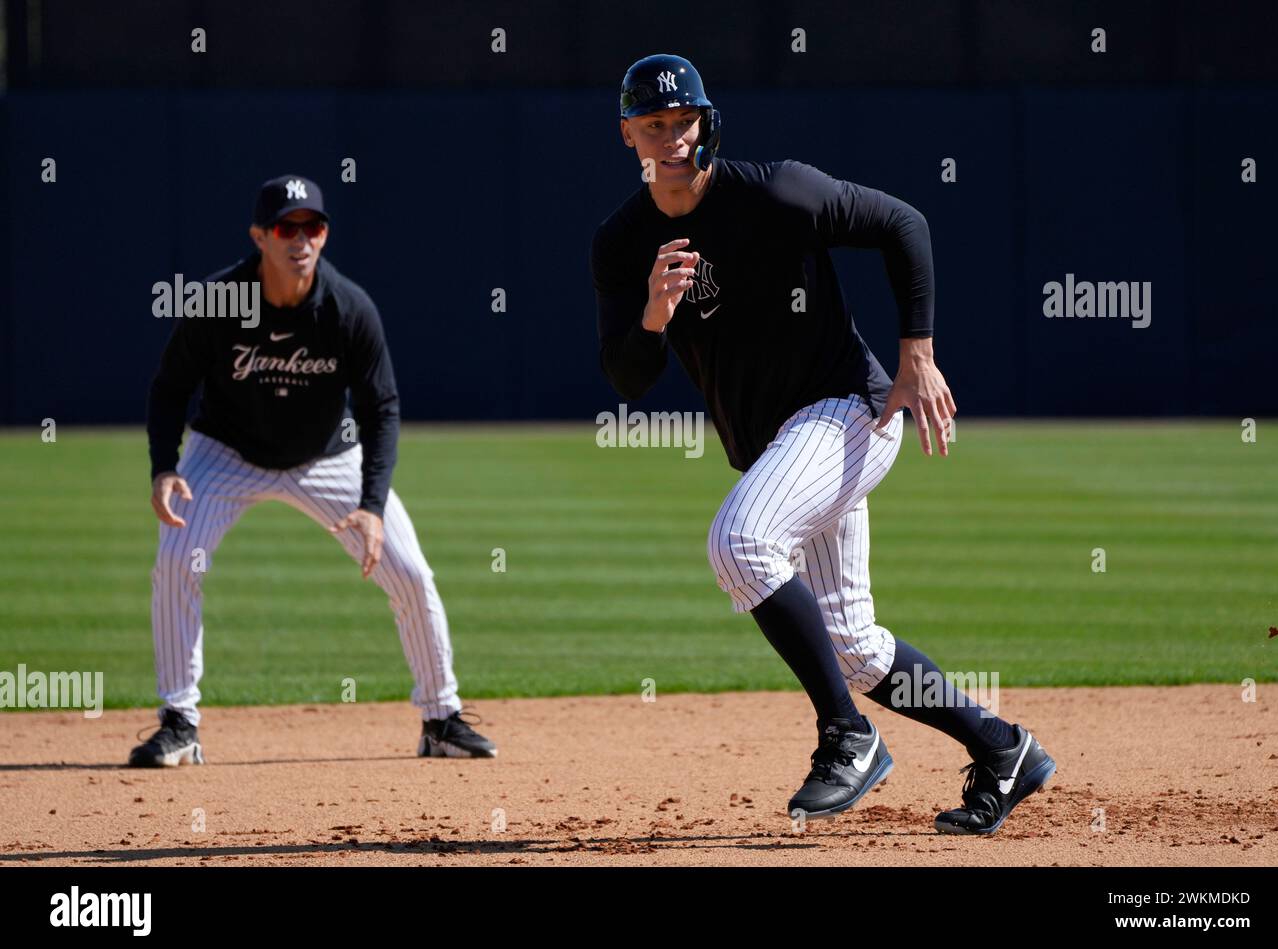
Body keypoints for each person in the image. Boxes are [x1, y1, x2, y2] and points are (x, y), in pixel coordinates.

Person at [591, 55, 1055, 835]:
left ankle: (848, 736)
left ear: (707, 122)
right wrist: (652, 317)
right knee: (854, 649)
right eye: (654, 125)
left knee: (740, 542)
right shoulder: (622, 240)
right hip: (782, 443)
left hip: (850, 410)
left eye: (684, 121)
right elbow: (628, 377)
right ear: (628, 133)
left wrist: (918, 353)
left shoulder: (775, 191)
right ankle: (1005, 749)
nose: (671, 138)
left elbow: (903, 223)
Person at [136, 174, 496, 766]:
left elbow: (382, 409)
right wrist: (162, 468)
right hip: (225, 453)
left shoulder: (349, 309)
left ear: (324, 235)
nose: (300, 238)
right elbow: (169, 388)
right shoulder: (218, 303)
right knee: (177, 557)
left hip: (327, 456)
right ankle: (180, 722)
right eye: (286, 227)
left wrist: (373, 507)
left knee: (409, 571)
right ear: (260, 236)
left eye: (314, 226)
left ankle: (441, 718)